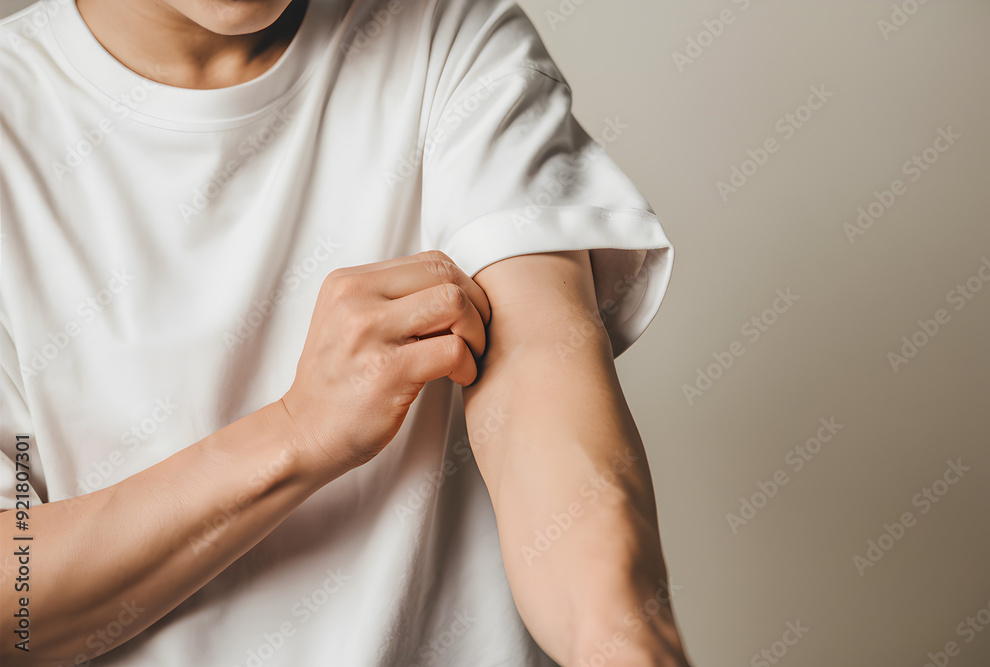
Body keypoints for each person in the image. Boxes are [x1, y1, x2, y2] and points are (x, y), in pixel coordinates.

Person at [0, 0, 689, 664]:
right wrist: (296, 433)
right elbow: (14, 600)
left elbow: (542, 362)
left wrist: (625, 644)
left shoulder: (444, 35)